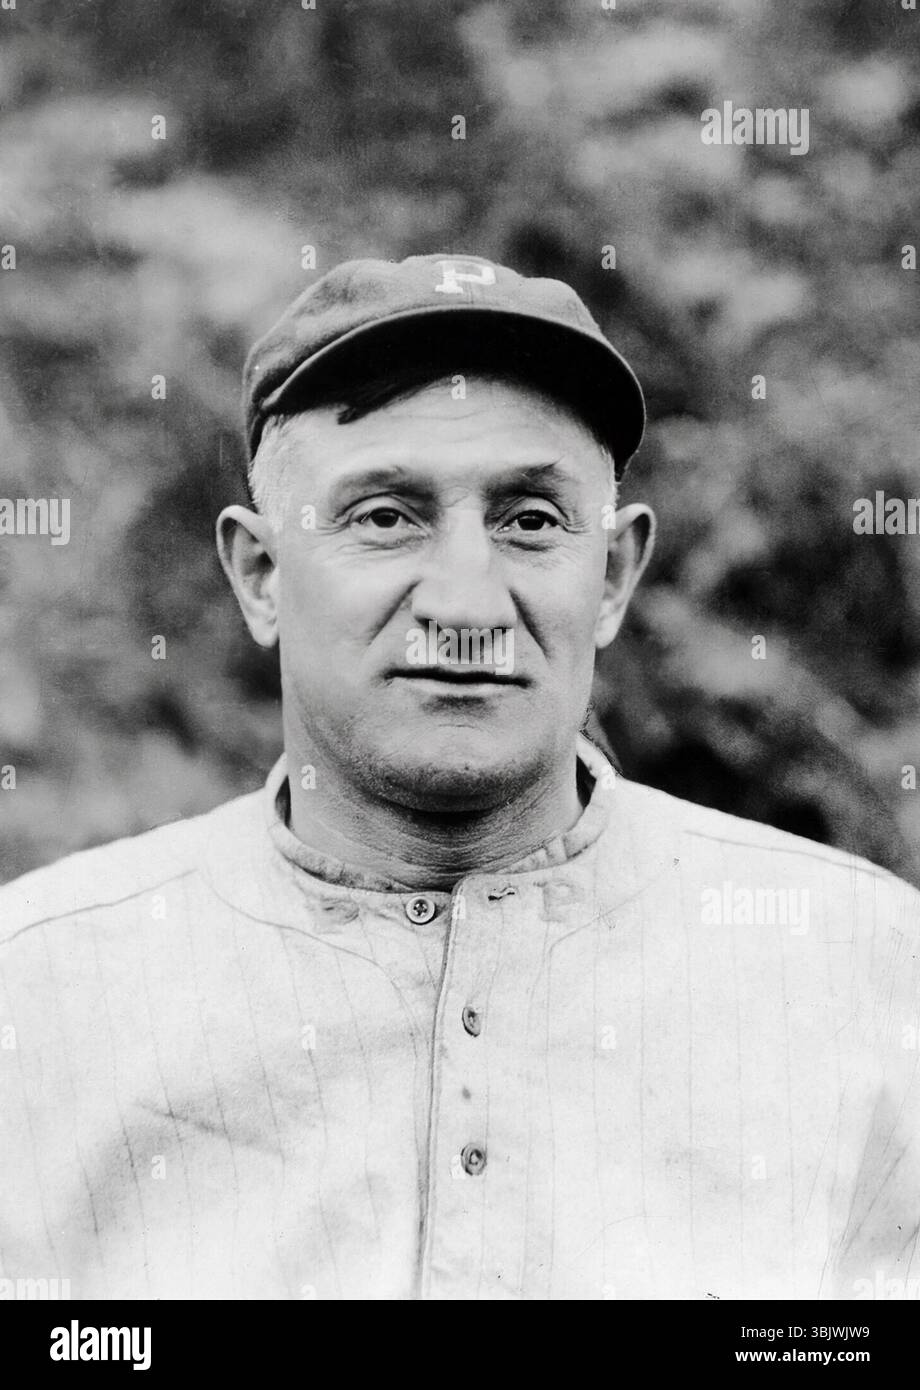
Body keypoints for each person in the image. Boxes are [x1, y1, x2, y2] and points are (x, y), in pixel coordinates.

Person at [1, 254, 918, 1302]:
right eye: (385, 516)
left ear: (612, 574)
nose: (466, 601)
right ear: (259, 574)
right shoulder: (39, 997)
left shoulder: (867, 979)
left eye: (529, 520)